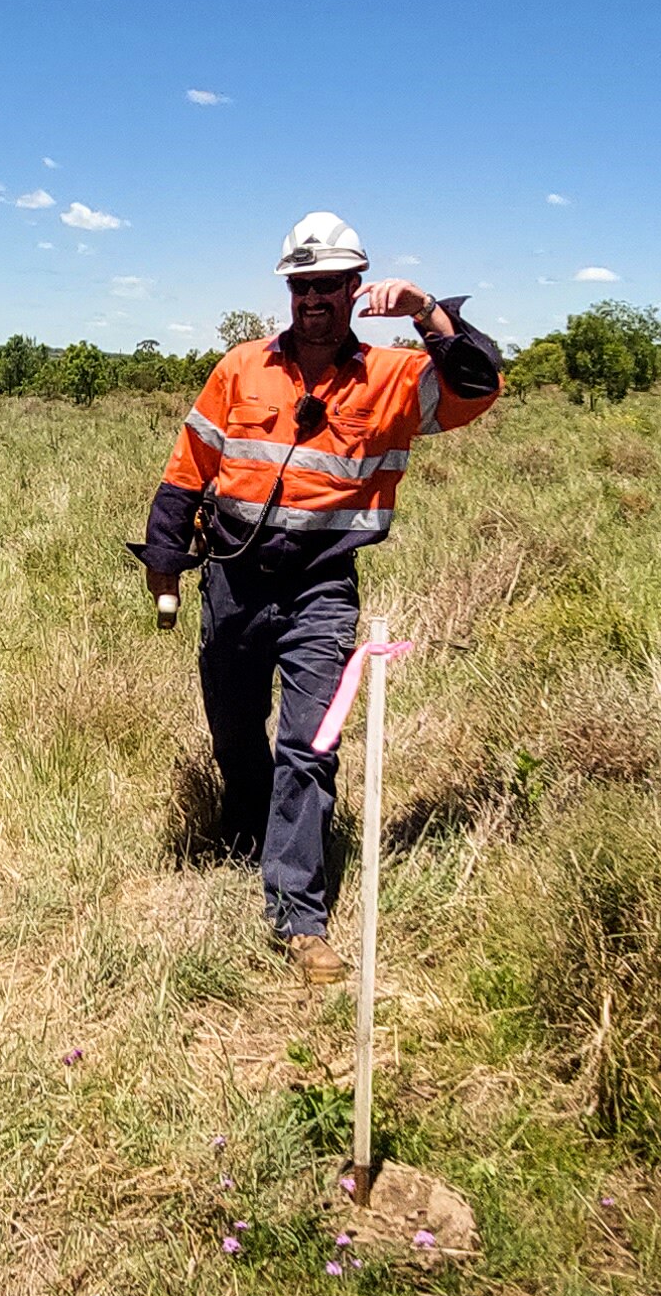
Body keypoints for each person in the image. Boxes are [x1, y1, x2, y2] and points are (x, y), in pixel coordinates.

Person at [137, 212, 502, 982]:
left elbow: (478, 384)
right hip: (233, 581)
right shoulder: (240, 368)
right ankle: (250, 828)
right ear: (289, 291)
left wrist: (428, 313)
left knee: (310, 744)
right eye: (303, 285)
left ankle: (298, 917)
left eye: (330, 285)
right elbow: (188, 463)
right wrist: (166, 556)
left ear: (353, 289)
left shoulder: (396, 378)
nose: (315, 299)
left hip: (322, 589)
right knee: (237, 734)